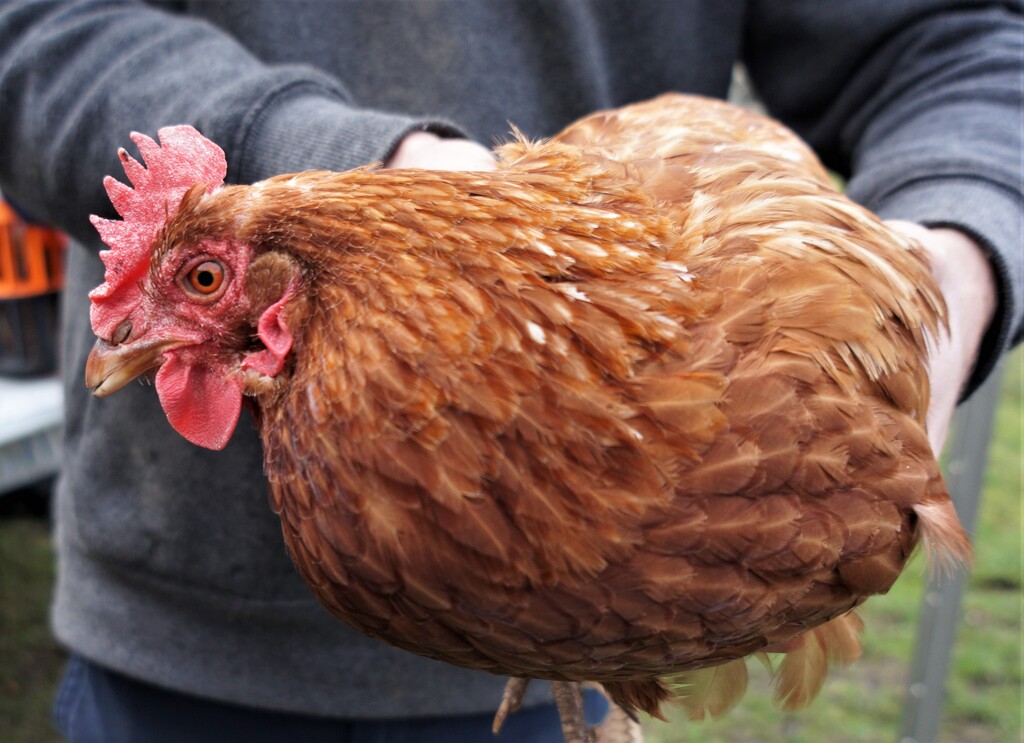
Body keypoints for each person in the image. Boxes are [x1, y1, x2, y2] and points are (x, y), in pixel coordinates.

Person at [0, 2, 1020, 741]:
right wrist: (344, 159)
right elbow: (33, 24)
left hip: (559, 664)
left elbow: (955, 39)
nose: (128, 334)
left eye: (208, 278)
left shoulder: (761, 375)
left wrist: (955, 267)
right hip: (176, 660)